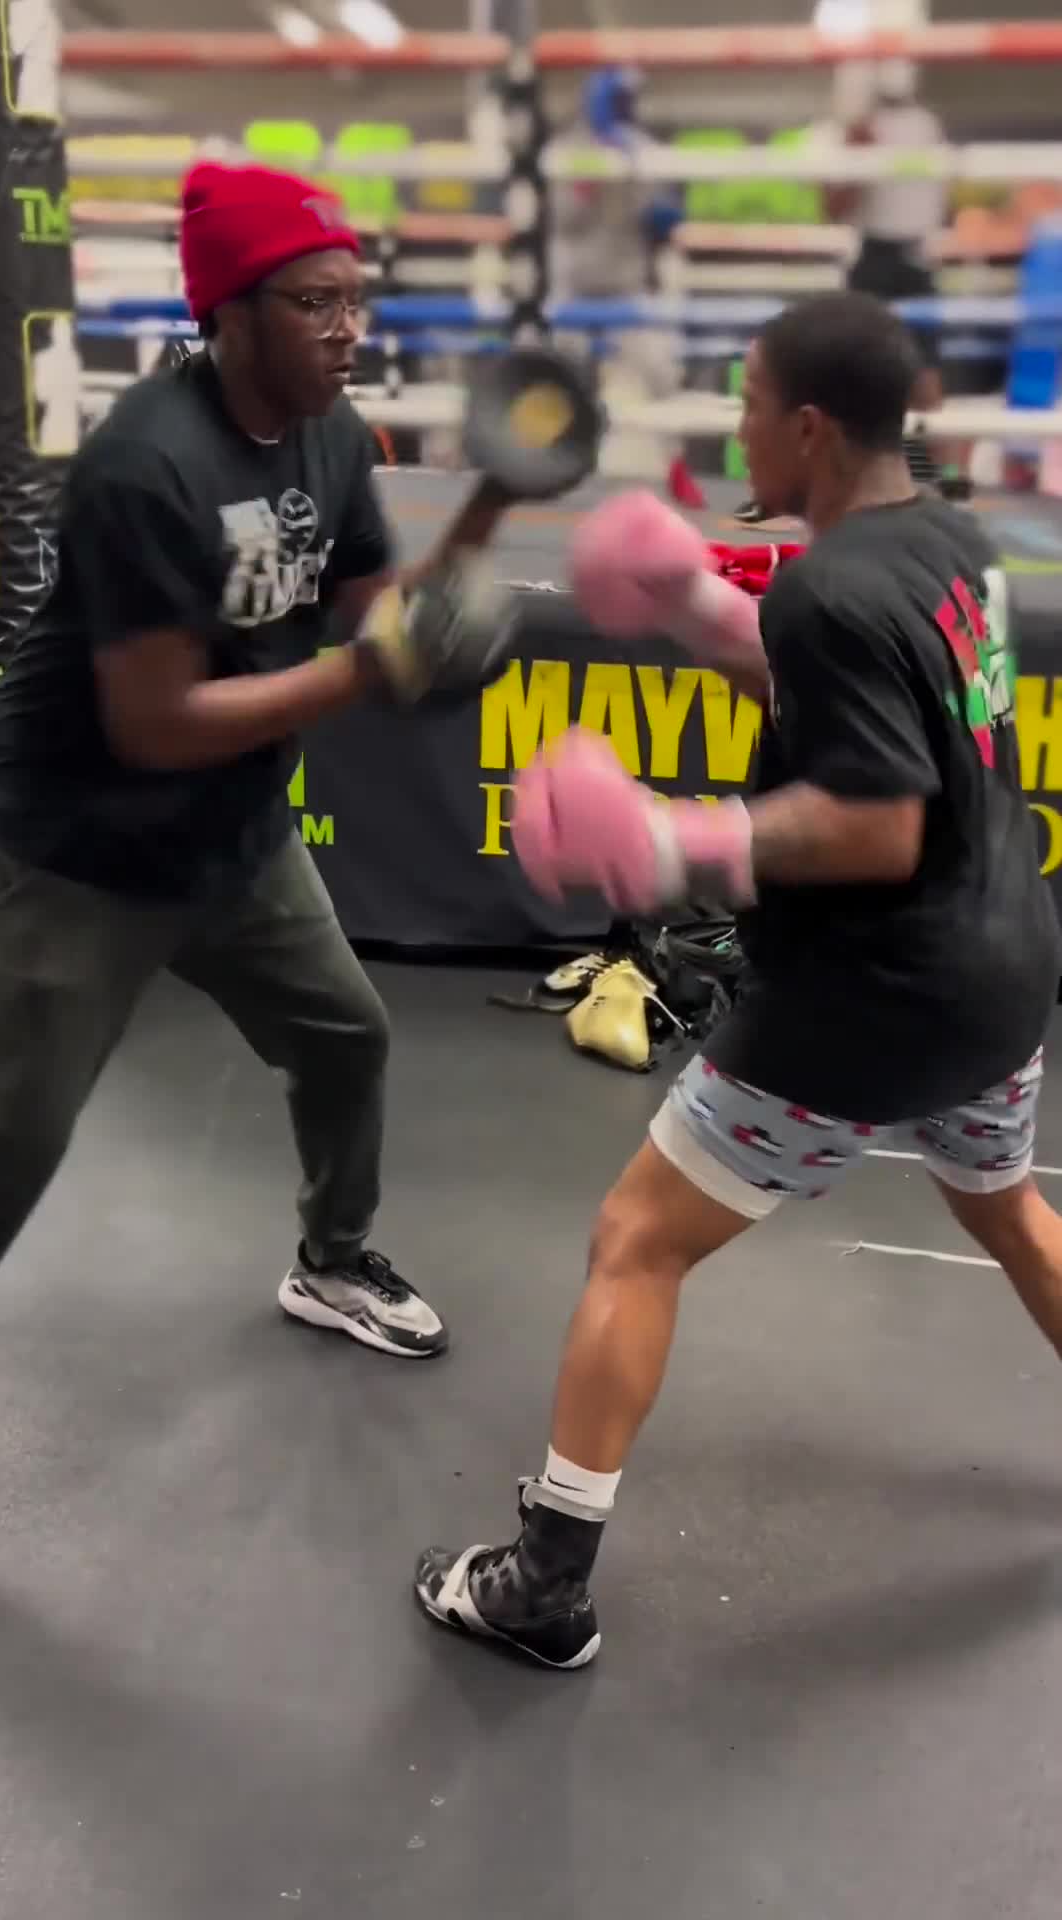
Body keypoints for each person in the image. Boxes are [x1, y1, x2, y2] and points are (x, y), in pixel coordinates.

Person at [415, 291, 1062, 1668]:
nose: (737, 431)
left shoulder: (832, 587)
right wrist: (697, 609)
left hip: (873, 1004)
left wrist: (666, 838)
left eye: (751, 405)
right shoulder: (951, 536)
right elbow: (869, 702)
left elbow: (877, 822)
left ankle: (544, 1587)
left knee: (635, 1243)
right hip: (1004, 972)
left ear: (810, 427)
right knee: (1009, 1212)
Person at [0, 160, 515, 1359]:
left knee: (346, 1037)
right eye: (315, 302)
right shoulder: (146, 461)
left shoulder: (334, 436)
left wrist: (489, 509)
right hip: (77, 855)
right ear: (228, 311)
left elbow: (381, 621)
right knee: (6, 1142)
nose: (347, 330)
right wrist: (371, 669)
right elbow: (156, 724)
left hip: (235, 834)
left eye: (355, 300)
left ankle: (331, 1262)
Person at [735, 60, 958, 525]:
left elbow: (932, 201)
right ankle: (844, 490)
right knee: (859, 386)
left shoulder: (925, 126)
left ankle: (936, 489)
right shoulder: (863, 130)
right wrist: (858, 153)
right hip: (876, 257)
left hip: (914, 258)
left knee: (923, 387)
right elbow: (835, 206)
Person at [547, 68, 701, 509]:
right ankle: (550, 473)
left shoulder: (643, 150)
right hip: (574, 289)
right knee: (558, 382)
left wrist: (661, 209)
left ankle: (677, 469)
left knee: (662, 375)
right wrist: (597, 174)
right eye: (617, 100)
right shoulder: (565, 153)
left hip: (625, 288)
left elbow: (664, 220)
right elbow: (563, 217)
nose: (623, 108)